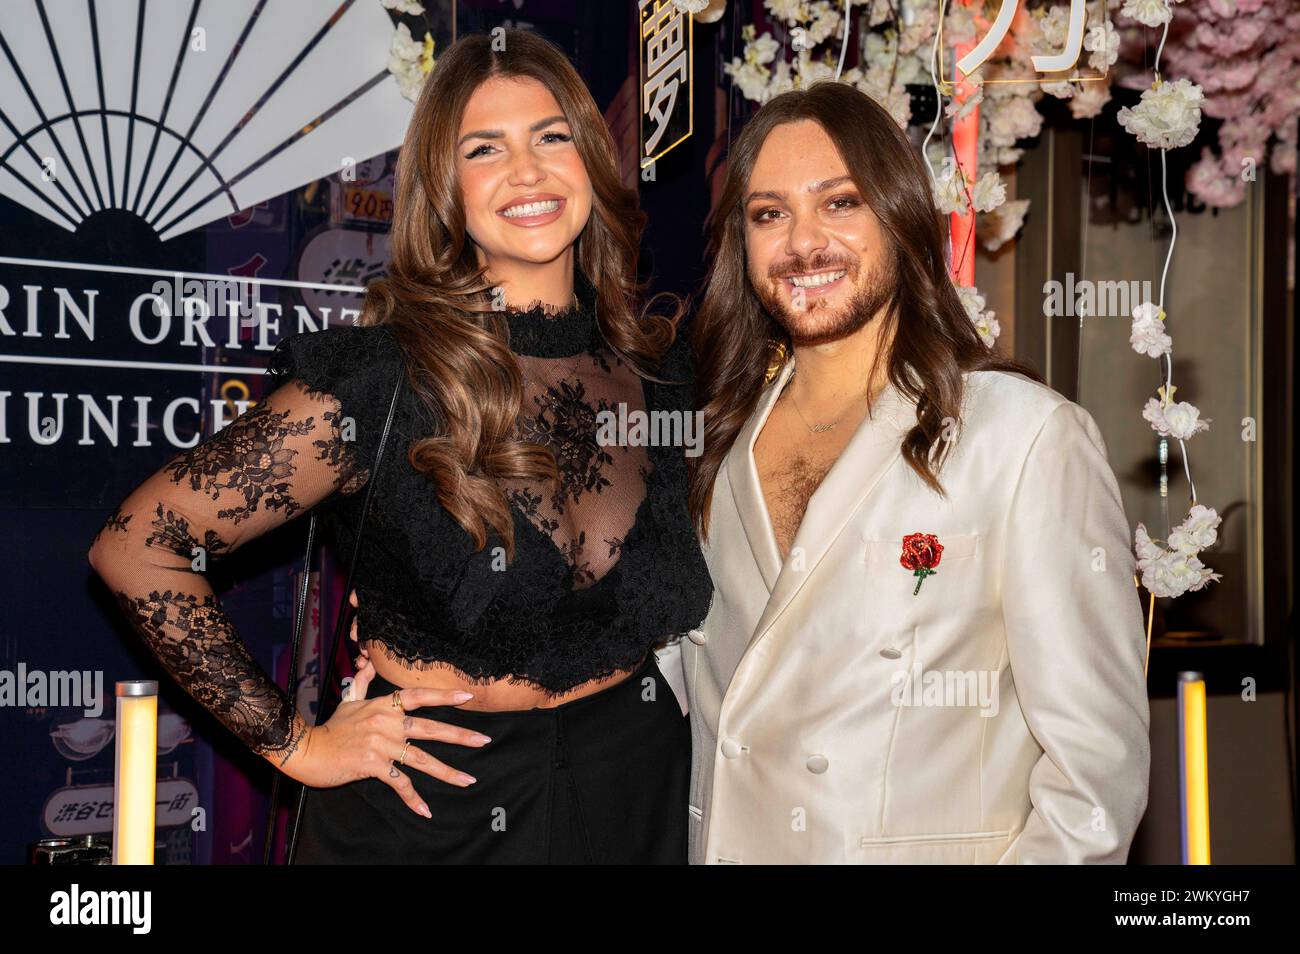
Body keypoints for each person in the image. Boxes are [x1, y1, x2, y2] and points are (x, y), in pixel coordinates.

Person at [88, 29, 711, 865]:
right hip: (431, 814)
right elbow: (139, 544)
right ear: (445, 189)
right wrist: (298, 747)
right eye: (485, 149)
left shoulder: (662, 370)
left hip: (635, 790)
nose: (527, 172)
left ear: (593, 161)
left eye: (552, 136)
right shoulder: (381, 381)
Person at [682, 81, 1151, 864]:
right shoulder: (714, 444)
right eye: (769, 214)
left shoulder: (1024, 439)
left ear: (899, 216)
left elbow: (1096, 775)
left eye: (839, 202)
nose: (803, 243)